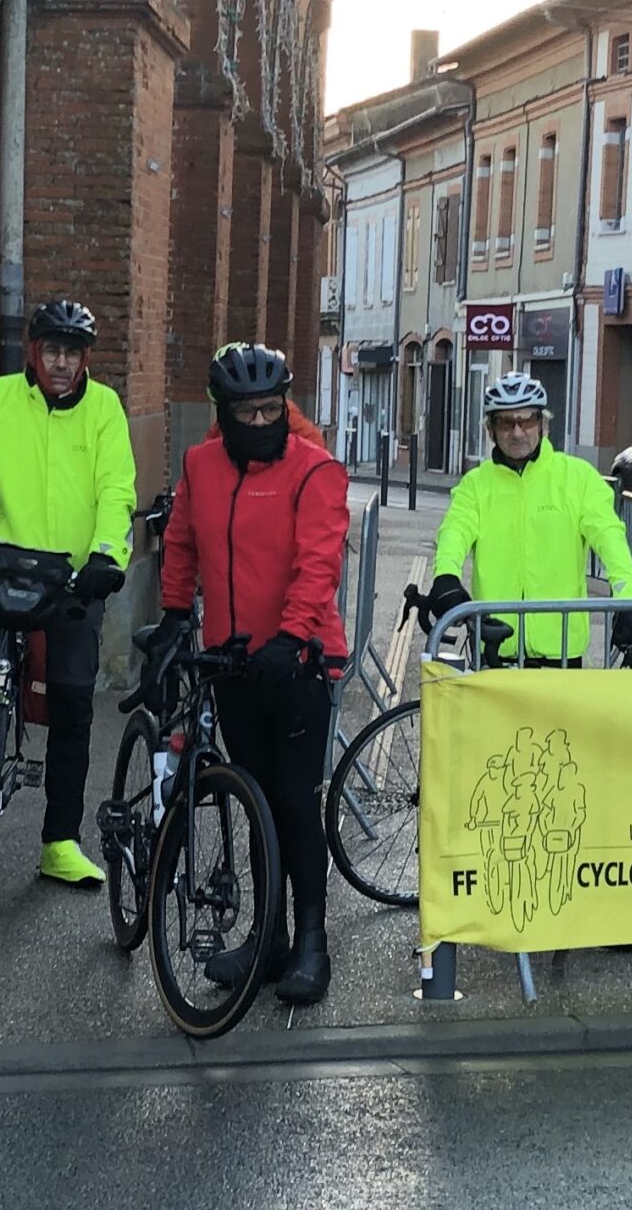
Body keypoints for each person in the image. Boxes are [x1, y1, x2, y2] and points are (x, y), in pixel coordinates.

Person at [0, 298, 137, 887]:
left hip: (72, 577)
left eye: (72, 352)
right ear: (34, 353)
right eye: (51, 351)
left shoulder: (105, 409)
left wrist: (109, 556)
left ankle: (60, 841)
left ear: (85, 358)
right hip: (5, 567)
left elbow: (118, 490)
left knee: (72, 702)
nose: (61, 363)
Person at [151, 341, 349, 1002]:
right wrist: (177, 614)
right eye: (248, 411)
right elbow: (180, 540)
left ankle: (312, 944)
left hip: (297, 663)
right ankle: (269, 939)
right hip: (233, 662)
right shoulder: (200, 465)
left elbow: (319, 564)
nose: (261, 422)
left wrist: (292, 636)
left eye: (272, 409)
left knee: (295, 802)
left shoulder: (315, 471)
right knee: (254, 799)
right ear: (225, 411)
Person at [427, 373, 632, 667]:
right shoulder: (476, 485)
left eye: (527, 420)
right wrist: (446, 576)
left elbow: (609, 537)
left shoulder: (577, 477)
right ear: (490, 430)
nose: (517, 432)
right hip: (495, 646)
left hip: (561, 652)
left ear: (544, 425)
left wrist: (628, 596)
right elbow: (454, 531)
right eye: (506, 422)